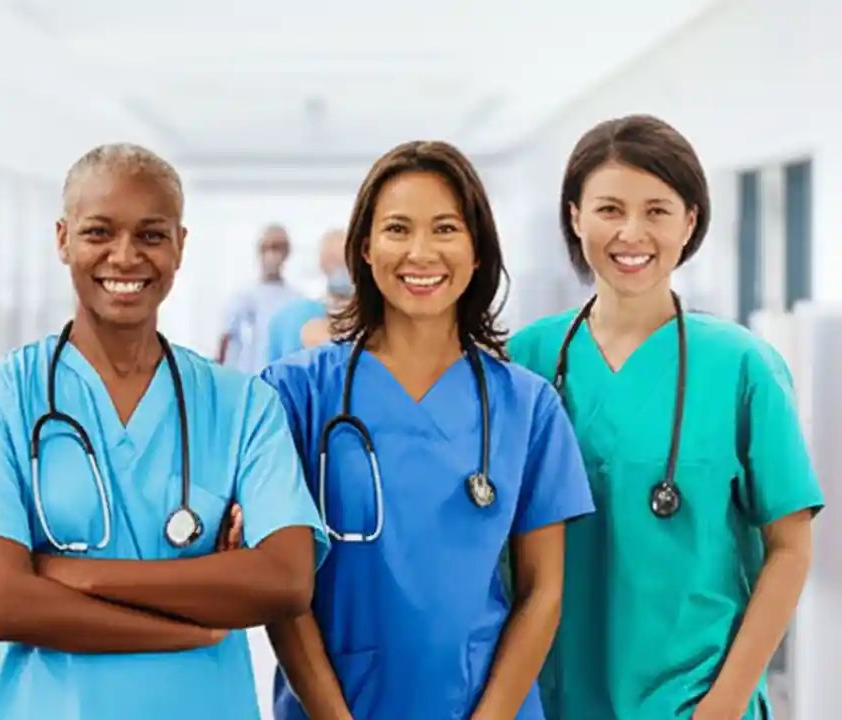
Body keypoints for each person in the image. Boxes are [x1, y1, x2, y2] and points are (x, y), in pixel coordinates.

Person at [0, 142, 330, 720]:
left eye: (152, 235)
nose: (125, 257)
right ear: (63, 239)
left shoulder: (243, 407)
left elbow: (284, 580)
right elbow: (3, 605)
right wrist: (192, 624)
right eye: (99, 232)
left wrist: (72, 573)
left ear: (180, 246)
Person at [250, 140, 595, 719]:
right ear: (364, 248)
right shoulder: (296, 395)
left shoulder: (526, 407)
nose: (421, 252)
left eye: (445, 229)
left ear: (477, 249)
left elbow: (543, 593)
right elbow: (283, 589)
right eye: (397, 229)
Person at [507, 114, 825, 719]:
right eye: (608, 209)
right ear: (575, 217)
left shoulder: (742, 366)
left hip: (693, 701)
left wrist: (725, 704)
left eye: (657, 210)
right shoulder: (528, 359)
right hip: (556, 697)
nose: (632, 233)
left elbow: (789, 550)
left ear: (690, 221)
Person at [217, 223, 303, 372]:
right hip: (246, 380)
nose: (270, 254)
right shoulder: (242, 297)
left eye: (276, 248)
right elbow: (225, 342)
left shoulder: (296, 301)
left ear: (287, 252)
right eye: (265, 248)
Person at [266, 228, 351, 363]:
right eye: (335, 261)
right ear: (322, 263)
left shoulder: (374, 318)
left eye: (344, 262)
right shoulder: (296, 315)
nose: (342, 268)